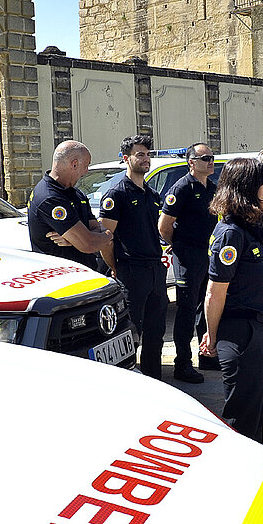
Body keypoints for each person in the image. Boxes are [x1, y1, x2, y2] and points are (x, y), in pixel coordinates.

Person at [200, 158, 263, 441]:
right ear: (248, 189)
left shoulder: (248, 229)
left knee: (256, 414)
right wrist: (211, 335)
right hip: (242, 333)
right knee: (242, 419)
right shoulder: (231, 233)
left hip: (259, 330)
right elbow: (215, 292)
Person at [99, 135, 168, 379]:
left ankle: (154, 379)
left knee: (156, 332)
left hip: (155, 270)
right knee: (131, 332)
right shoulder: (117, 194)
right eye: (140, 154)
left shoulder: (152, 194)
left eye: (148, 154)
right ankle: (128, 380)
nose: (146, 159)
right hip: (132, 271)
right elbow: (105, 239)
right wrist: (115, 267)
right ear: (126, 158)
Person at [158, 143, 218, 383]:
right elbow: (164, 226)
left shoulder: (211, 187)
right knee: (186, 310)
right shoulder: (182, 187)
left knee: (205, 307)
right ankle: (182, 364)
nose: (210, 162)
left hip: (207, 255)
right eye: (205, 158)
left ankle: (207, 355)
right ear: (191, 162)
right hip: (188, 256)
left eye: (212, 157)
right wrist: (180, 244)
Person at [27, 140, 113, 268]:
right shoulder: (49, 197)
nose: (86, 171)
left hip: (84, 271)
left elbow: (94, 227)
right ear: (74, 164)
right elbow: (88, 244)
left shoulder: (75, 193)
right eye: (86, 166)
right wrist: (108, 236)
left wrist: (74, 240)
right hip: (62, 275)